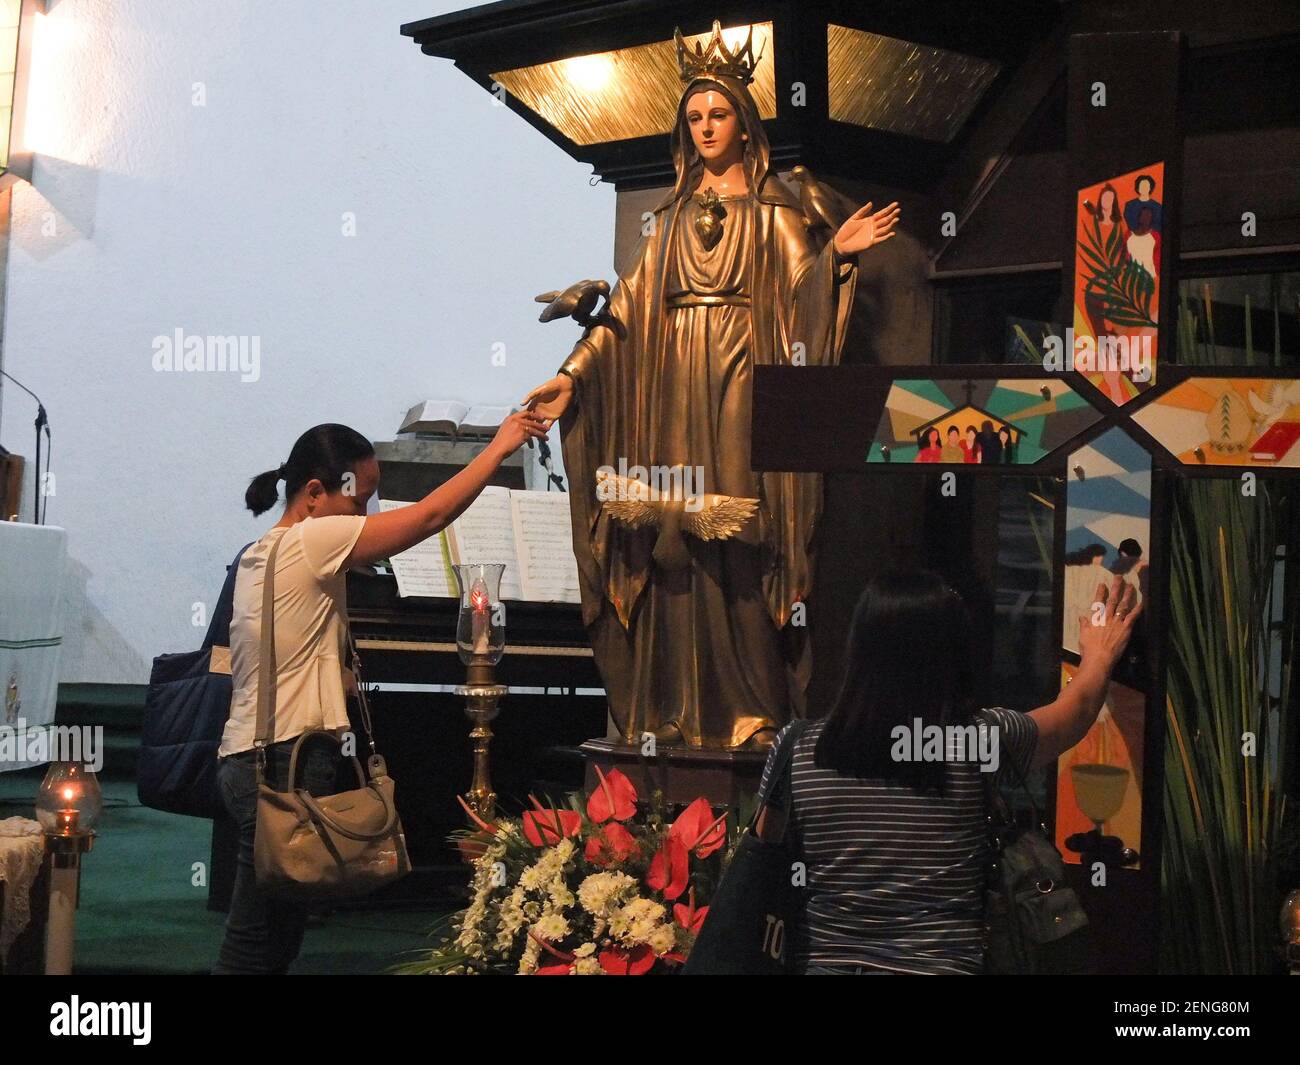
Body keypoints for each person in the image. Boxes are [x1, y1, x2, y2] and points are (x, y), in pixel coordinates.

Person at [211, 412, 548, 974]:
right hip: (284, 767)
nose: (363, 517)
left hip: (253, 760)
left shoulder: (263, 551)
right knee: (252, 946)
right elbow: (432, 515)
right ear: (315, 493)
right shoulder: (316, 537)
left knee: (272, 941)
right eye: (359, 500)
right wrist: (502, 445)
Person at [756, 568, 1141, 974]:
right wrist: (1098, 655)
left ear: (859, 649)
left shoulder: (797, 748)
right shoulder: (977, 743)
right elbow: (1075, 712)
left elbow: (766, 863)